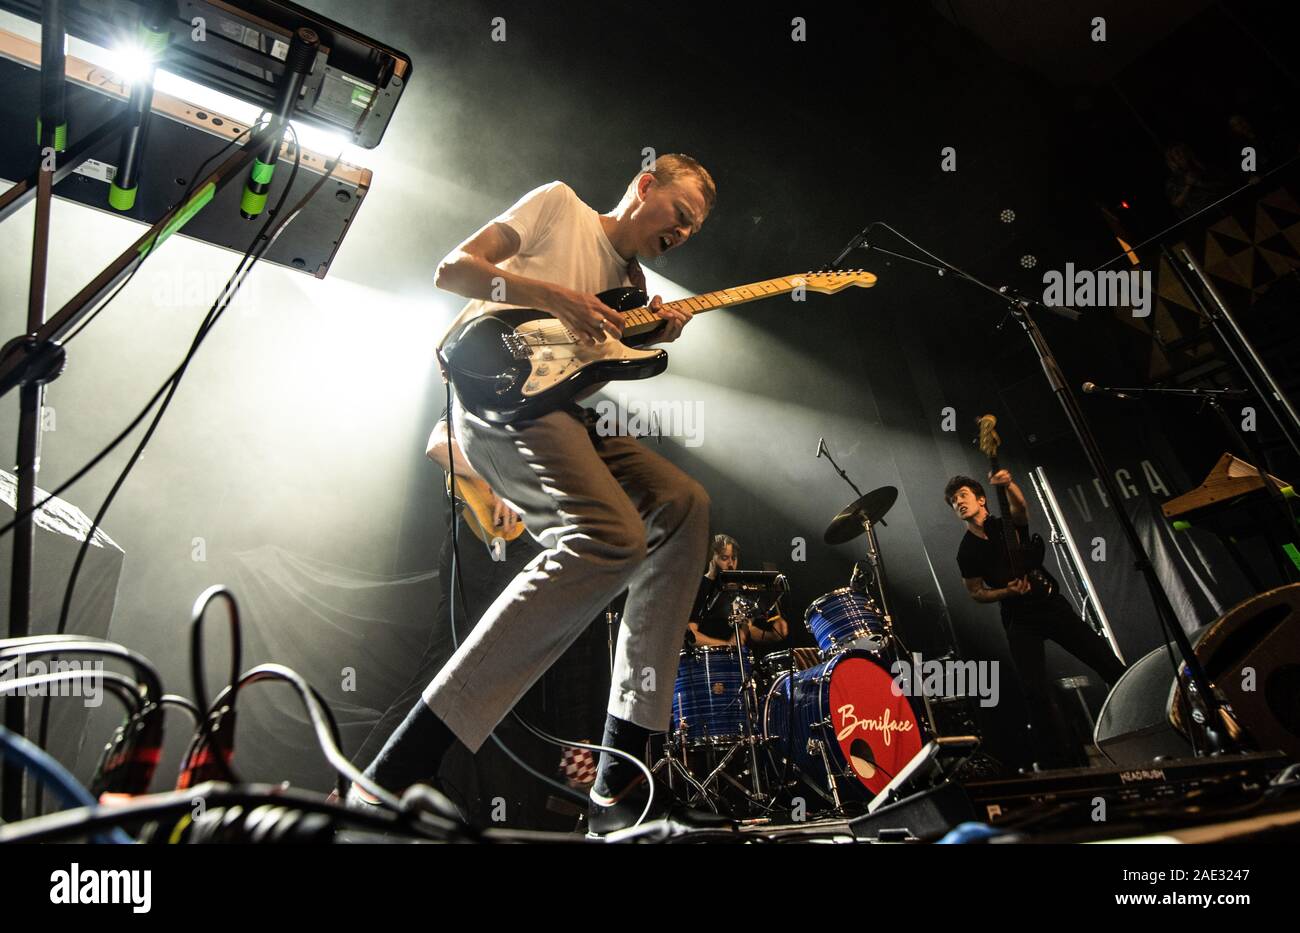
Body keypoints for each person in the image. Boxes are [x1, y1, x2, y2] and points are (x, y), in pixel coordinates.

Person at [358, 154, 717, 835]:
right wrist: (556, 297)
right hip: (495, 400)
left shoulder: (635, 286)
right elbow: (454, 269)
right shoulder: (561, 206)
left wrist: (649, 335)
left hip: (559, 416)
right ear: (645, 183)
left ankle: (621, 774)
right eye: (682, 212)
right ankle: (405, 761)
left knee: (683, 503)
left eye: (697, 227)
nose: (687, 230)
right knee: (613, 536)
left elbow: (578, 371)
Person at [945, 471, 1126, 769]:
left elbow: (1021, 509)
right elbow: (976, 592)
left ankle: (1145, 722)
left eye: (963, 495)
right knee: (1034, 690)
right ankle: (1057, 763)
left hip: (1049, 604)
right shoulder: (966, 551)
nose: (958, 502)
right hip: (1019, 618)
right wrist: (1006, 590)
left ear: (981, 499)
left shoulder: (1005, 524)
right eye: (953, 501)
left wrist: (1009, 485)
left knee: (1104, 660)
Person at [687, 533, 789, 648]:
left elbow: (742, 634)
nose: (731, 564)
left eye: (734, 558)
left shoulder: (739, 589)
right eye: (724, 558)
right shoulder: (697, 587)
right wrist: (727, 646)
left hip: (738, 659)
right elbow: (691, 636)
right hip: (709, 662)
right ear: (711, 558)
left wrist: (774, 634)